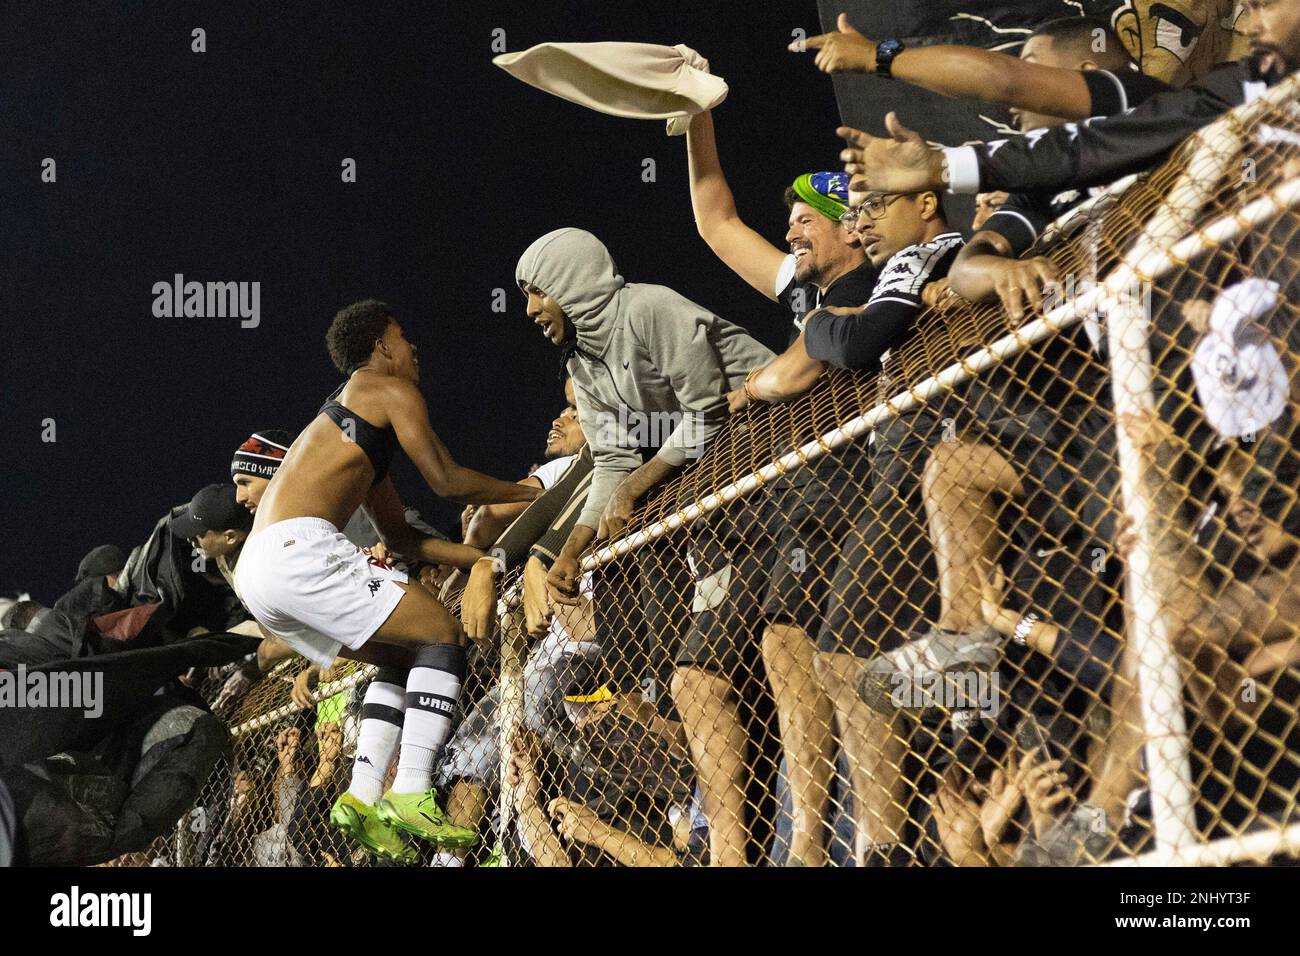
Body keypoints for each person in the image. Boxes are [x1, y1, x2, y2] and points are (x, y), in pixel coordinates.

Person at [236, 298, 540, 863]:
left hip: (261, 573)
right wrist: (526, 492)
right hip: (296, 549)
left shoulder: (353, 429)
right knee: (442, 634)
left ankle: (361, 795)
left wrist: (476, 561)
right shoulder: (385, 388)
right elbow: (447, 481)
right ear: (380, 347)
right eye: (404, 337)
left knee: (403, 655)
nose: (414, 348)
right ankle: (412, 790)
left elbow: (400, 537)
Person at [516, 226, 773, 865]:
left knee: (722, 647)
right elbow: (610, 459)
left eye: (536, 292)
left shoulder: (648, 307)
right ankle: (663, 728)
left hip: (773, 450)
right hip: (708, 485)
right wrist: (571, 548)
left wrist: (642, 480)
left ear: (572, 282)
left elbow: (710, 407)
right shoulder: (584, 361)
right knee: (640, 592)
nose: (528, 311)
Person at [833, 2, 1298, 200]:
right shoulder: (1239, 86)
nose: (1252, 25)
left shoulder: (1135, 95)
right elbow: (1075, 152)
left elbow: (1002, 79)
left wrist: (882, 57)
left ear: (1091, 75)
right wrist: (944, 168)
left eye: (1265, 5)